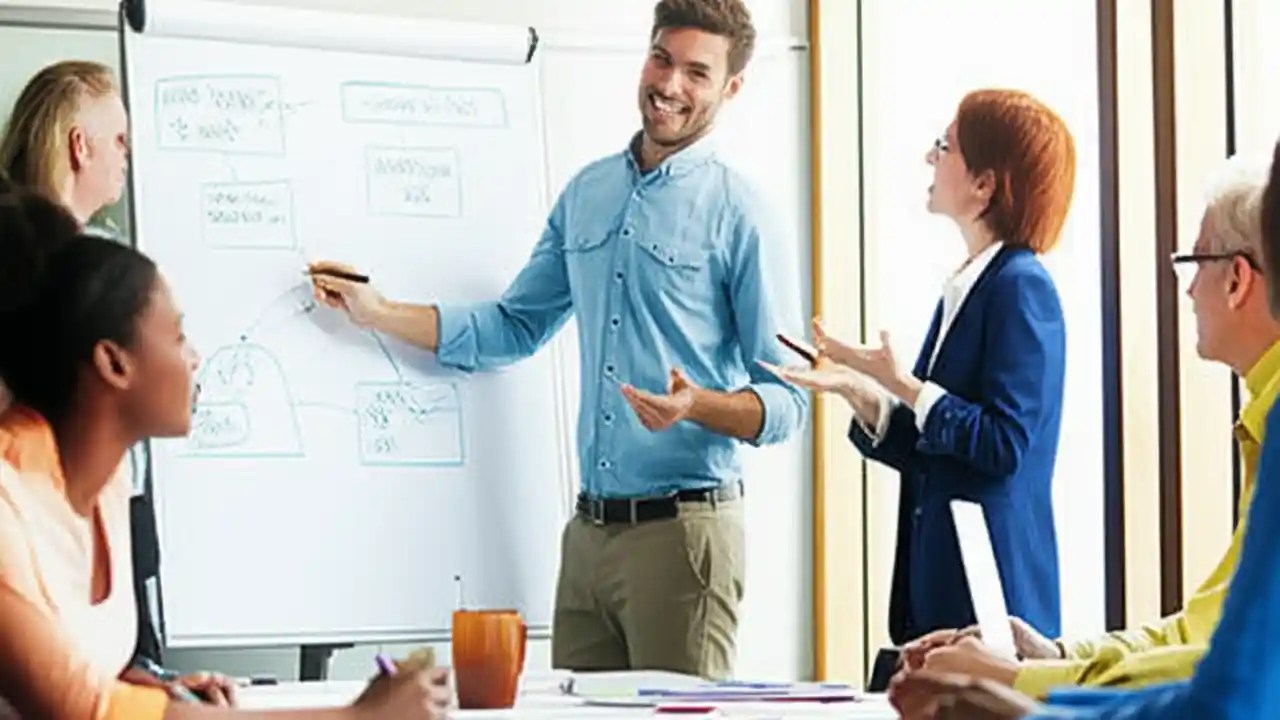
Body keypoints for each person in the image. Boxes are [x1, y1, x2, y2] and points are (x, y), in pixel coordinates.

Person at [309, 0, 806, 680]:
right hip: (587, 539)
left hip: (684, 538)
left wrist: (700, 405)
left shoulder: (742, 212)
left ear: (731, 88)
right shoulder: (589, 192)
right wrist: (380, 311)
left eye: (697, 72)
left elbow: (788, 404)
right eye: (662, 58)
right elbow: (513, 326)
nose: (669, 85)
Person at [0, 182, 451, 720]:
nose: (195, 358)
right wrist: (355, 717)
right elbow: (88, 711)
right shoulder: (8, 502)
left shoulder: (107, 479)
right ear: (113, 363)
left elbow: (79, 671)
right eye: (177, 335)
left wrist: (155, 691)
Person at [888, 139, 1280, 719]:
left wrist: (1030, 686)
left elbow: (1231, 686)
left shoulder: (1023, 284)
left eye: (1193, 264)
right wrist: (1059, 657)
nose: (1188, 288)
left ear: (1238, 279)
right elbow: (1207, 635)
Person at [766, 89, 1075, 644]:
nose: (930, 159)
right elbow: (942, 448)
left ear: (985, 184)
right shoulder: (969, 284)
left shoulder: (1022, 286)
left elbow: (1003, 446)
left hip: (994, 600)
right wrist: (865, 395)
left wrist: (905, 385)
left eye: (945, 146)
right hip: (946, 593)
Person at [0, 59, 174, 688]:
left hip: (106, 512)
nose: (127, 155)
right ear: (81, 144)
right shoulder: (33, 265)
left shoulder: (98, 252)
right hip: (41, 522)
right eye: (119, 138)